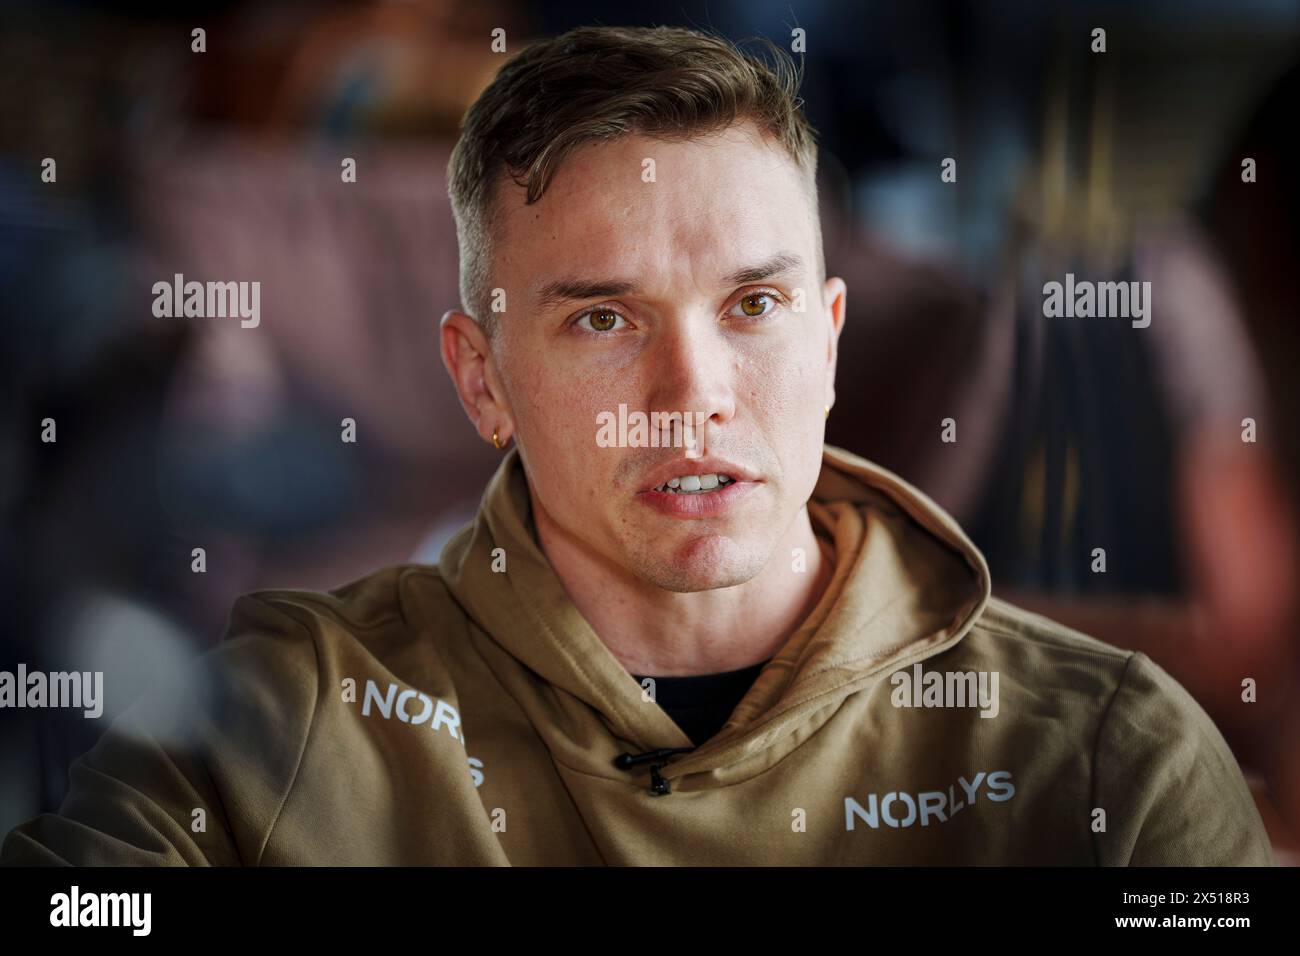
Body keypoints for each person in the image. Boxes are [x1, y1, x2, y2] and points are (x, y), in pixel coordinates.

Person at [0, 25, 1273, 865]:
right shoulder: (294, 714)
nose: (692, 392)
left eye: (755, 306)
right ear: (480, 379)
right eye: (605, 318)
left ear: (825, 335)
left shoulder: (1114, 761)